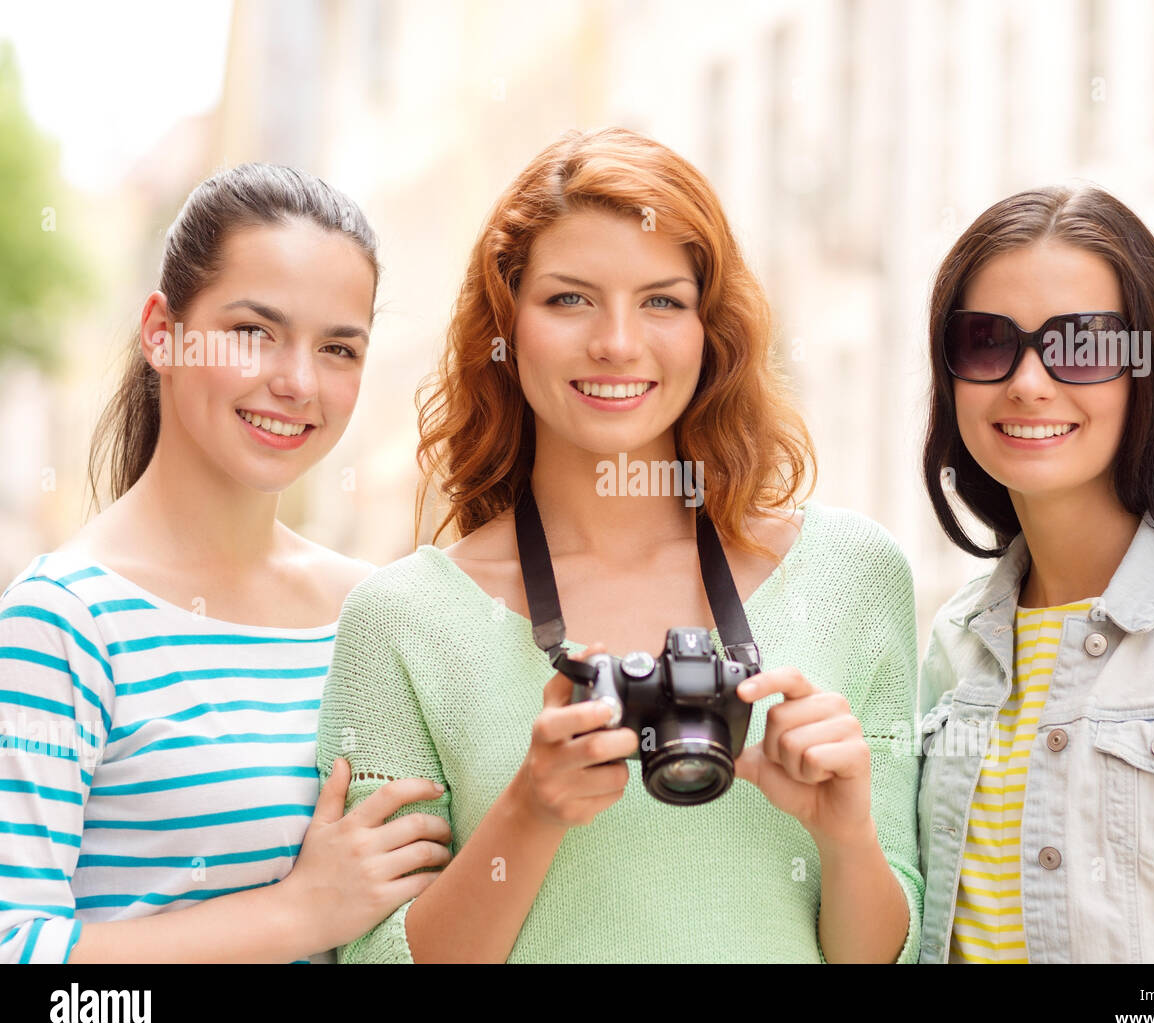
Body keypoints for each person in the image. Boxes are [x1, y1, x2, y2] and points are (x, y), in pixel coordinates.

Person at [315, 127, 922, 963]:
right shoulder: (399, 621)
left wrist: (846, 835)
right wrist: (530, 810)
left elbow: (885, 953)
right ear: (507, 323)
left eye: (663, 301)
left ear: (712, 329)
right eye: (569, 299)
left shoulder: (855, 574)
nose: (617, 343)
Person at [0, 163, 449, 963]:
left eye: (338, 347)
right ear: (161, 333)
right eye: (254, 332)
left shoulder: (376, 612)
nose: (297, 382)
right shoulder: (62, 620)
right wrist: (297, 916)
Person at [916, 184, 1154, 963]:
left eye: (1082, 344)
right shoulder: (954, 642)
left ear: (1149, 369)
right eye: (988, 341)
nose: (1028, 382)